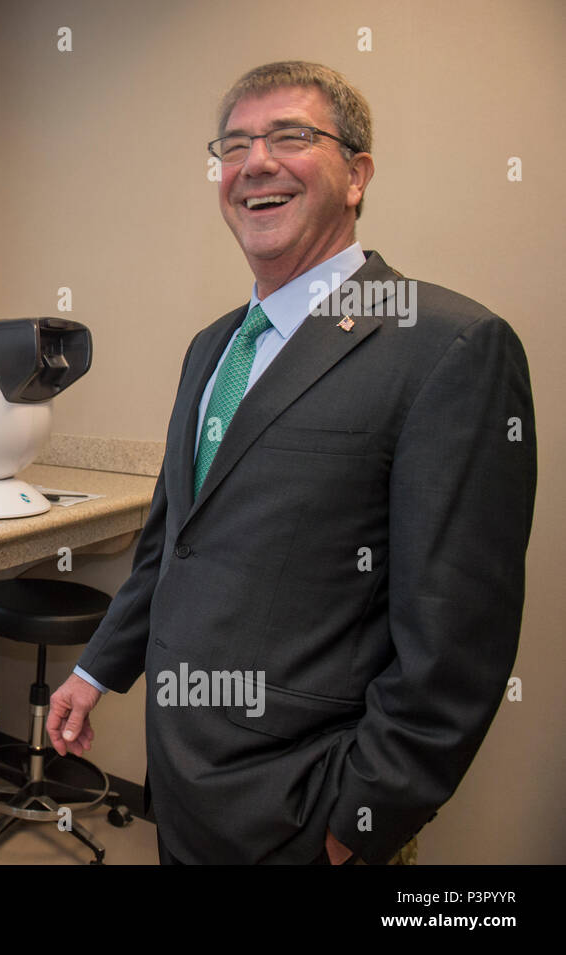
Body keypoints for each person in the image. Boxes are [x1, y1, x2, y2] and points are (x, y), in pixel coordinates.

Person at [47, 62, 536, 865]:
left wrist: (354, 827)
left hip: (306, 809)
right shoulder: (213, 348)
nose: (256, 162)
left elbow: (456, 640)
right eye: (234, 145)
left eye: (292, 136)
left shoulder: (446, 346)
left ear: (358, 176)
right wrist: (96, 670)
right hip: (184, 785)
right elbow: (172, 548)